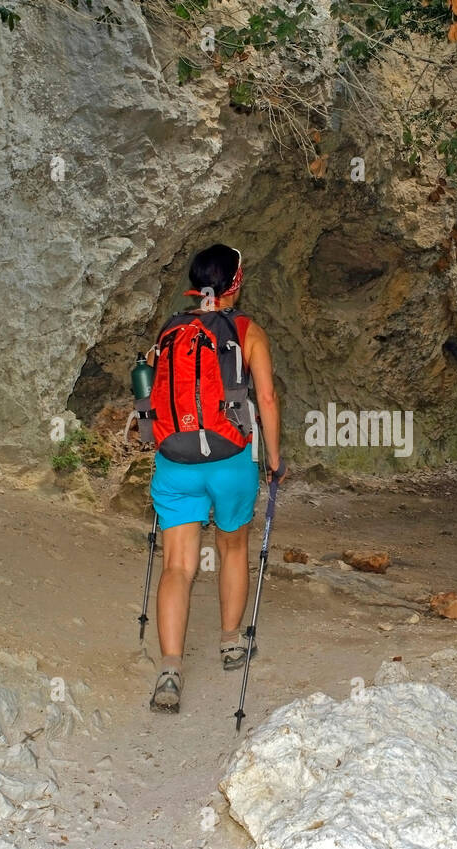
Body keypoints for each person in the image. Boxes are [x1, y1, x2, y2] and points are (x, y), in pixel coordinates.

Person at [147, 244, 285, 713]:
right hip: (231, 460)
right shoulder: (248, 330)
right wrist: (276, 458)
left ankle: (169, 668)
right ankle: (230, 643)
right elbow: (265, 397)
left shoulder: (171, 328)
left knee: (177, 567)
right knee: (233, 548)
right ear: (236, 283)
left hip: (175, 460)